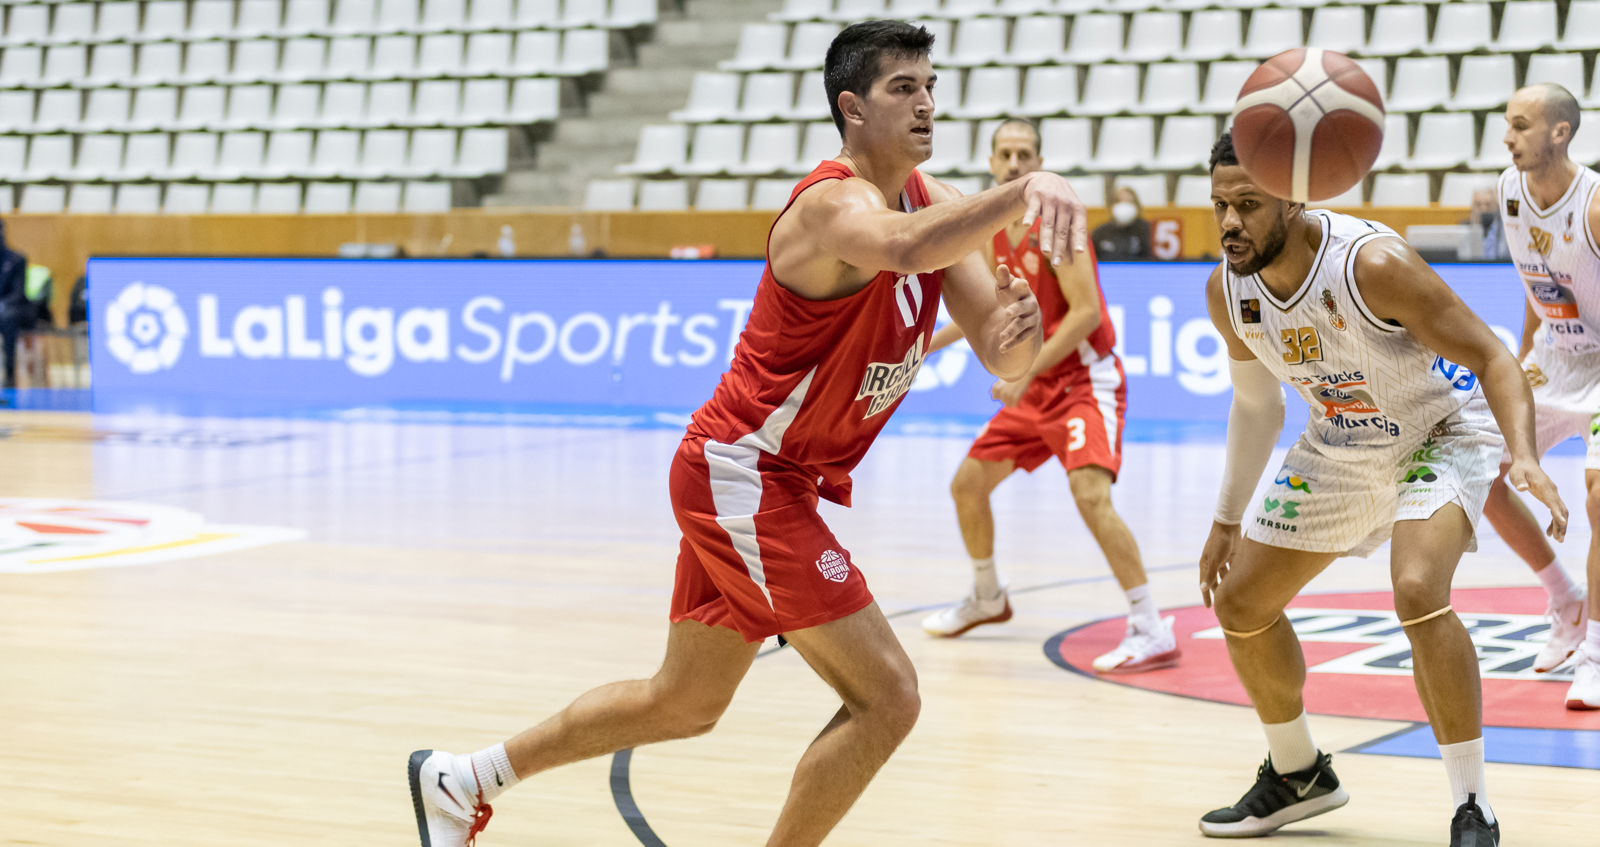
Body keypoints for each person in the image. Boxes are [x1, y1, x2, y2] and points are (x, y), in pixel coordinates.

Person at [407, 21, 1090, 847]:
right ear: (852, 108)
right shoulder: (832, 205)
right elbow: (903, 249)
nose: (925, 105)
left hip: (767, 479)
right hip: (745, 473)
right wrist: (1024, 190)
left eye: (930, 87)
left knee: (683, 701)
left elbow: (1001, 354)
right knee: (889, 696)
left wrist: (1019, 324)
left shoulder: (937, 204)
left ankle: (463, 778)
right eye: (903, 88)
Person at [1196, 132, 1566, 846]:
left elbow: (1493, 357)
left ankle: (1473, 805)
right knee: (1240, 603)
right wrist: (1225, 517)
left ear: (1293, 198)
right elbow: (1257, 406)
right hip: (1341, 439)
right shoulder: (1228, 290)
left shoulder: (1372, 265)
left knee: (1418, 588)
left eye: (1248, 203)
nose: (1230, 222)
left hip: (1440, 429)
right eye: (1220, 205)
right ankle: (1299, 773)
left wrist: (1522, 454)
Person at [918, 119, 1176, 673]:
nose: (1014, 163)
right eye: (1005, 154)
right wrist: (921, 348)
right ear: (991, 163)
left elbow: (1087, 314)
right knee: (967, 486)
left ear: (1039, 163)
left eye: (1025, 154)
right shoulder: (987, 229)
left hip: (1083, 382)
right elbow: (985, 311)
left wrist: (1024, 373)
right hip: (1035, 389)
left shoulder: (1058, 224)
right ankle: (987, 596)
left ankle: (1150, 626)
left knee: (1090, 496)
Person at [1478, 83, 1600, 710]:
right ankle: (1565, 598)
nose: (1508, 137)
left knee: (1599, 495)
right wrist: (1523, 358)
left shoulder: (1595, 204)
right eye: (1507, 123)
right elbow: (1535, 280)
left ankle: (1596, 654)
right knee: (1480, 470)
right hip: (1552, 360)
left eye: (1521, 125)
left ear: (1560, 132)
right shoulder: (1509, 190)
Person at [0, 221, 29, 388]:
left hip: (11, 309)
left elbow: (18, 293)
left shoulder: (17, 259)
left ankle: (10, 373)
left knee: (8, 318)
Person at [1090, 186, 1153, 260]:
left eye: (1129, 201)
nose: (1124, 205)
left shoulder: (1148, 231)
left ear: (1137, 206)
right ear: (1112, 206)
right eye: (1119, 201)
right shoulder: (1100, 232)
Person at [1464, 189, 1512, 261]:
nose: (1483, 209)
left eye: (1488, 204)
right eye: (1478, 204)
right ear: (1472, 208)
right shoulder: (1464, 231)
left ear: (1496, 207)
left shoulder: (1507, 231)